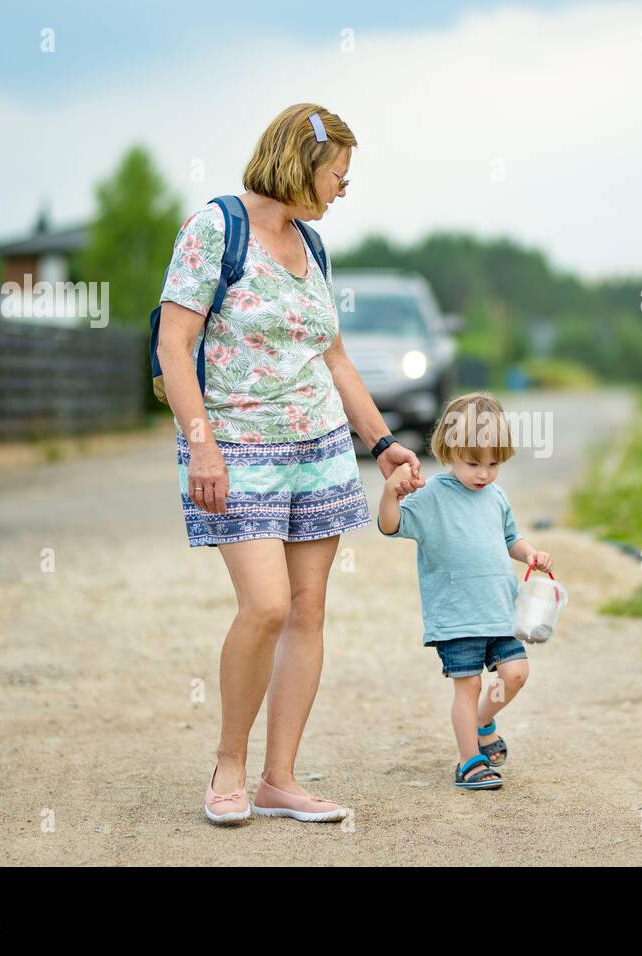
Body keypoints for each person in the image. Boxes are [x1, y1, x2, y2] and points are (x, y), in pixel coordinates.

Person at [155, 103, 425, 825]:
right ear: (301, 165)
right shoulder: (215, 229)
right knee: (267, 606)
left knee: (308, 612)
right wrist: (201, 445)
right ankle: (228, 768)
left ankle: (279, 779)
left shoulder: (312, 246)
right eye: (338, 174)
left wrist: (382, 441)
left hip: (322, 453)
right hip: (238, 451)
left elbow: (333, 358)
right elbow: (174, 347)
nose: (344, 188)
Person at [377, 392, 552, 789]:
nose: (484, 474)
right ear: (449, 450)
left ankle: (483, 721)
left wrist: (530, 555)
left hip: (499, 611)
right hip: (457, 616)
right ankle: (468, 760)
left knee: (516, 674)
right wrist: (390, 492)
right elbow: (391, 525)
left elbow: (511, 538)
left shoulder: (496, 496)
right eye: (474, 463)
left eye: (493, 464)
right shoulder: (433, 497)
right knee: (469, 685)